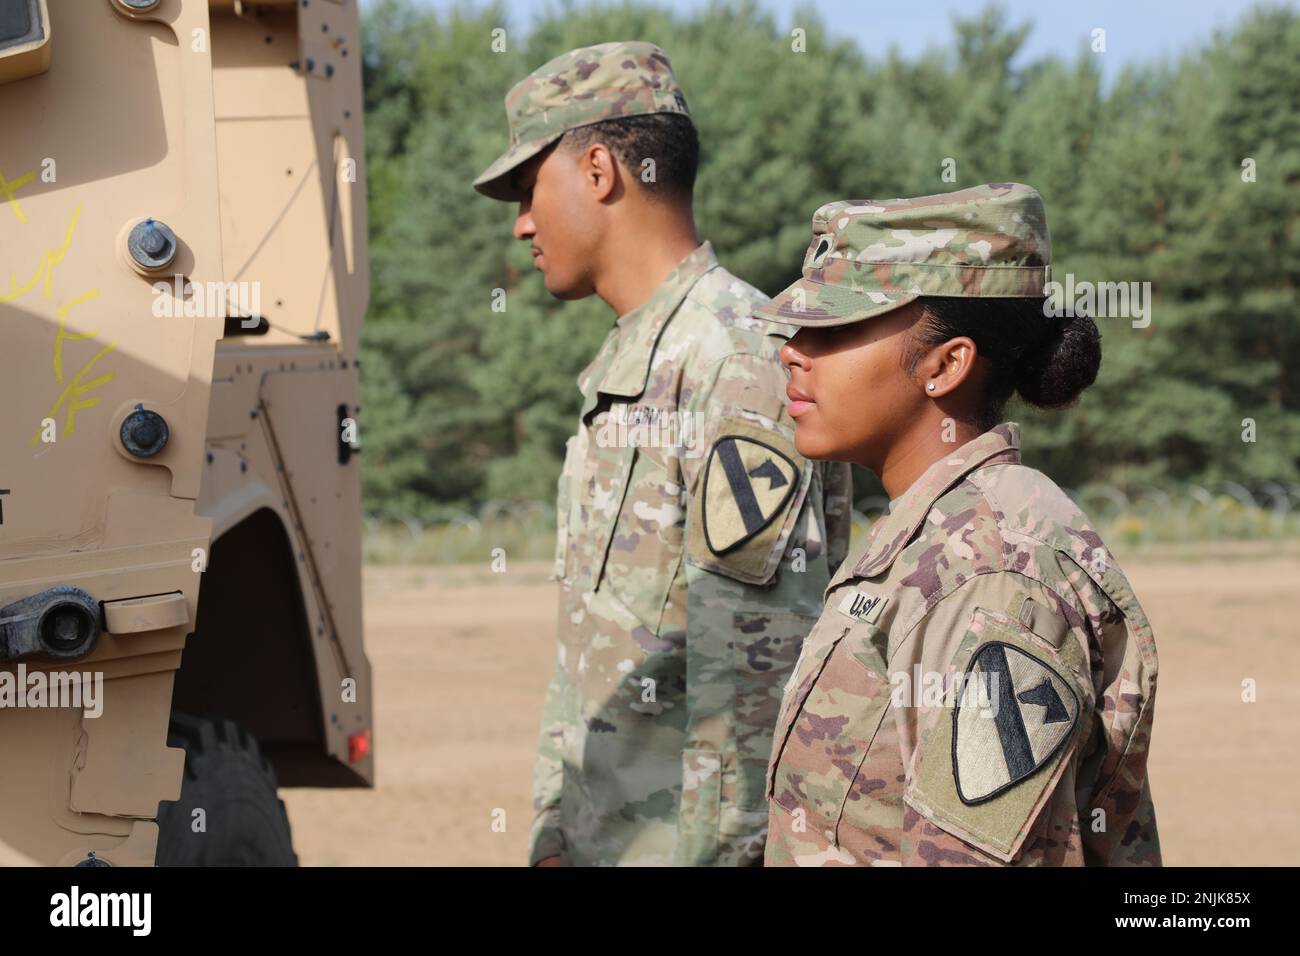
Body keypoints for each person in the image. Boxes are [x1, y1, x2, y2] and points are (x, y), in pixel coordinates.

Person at [473, 41, 853, 866]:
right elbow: (591, 646)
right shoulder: (628, 368)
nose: (522, 224)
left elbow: (753, 677)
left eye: (530, 188)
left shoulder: (735, 358)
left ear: (600, 170)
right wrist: (552, 829)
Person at [755, 183, 1161, 866]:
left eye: (835, 328)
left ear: (947, 364)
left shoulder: (990, 571)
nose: (793, 351)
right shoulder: (931, 536)